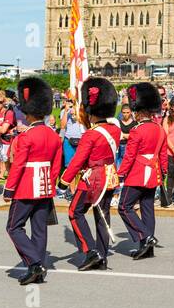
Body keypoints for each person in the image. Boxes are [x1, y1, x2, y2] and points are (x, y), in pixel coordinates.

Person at [3, 76, 62, 284]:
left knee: (14, 227)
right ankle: (38, 266)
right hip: (45, 185)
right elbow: (56, 166)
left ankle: (34, 262)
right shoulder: (54, 135)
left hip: (27, 185)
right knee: (39, 228)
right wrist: (50, 183)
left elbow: (18, 165)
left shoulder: (27, 136)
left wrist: (9, 188)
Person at [59, 78, 122, 271]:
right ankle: (101, 256)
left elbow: (78, 160)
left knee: (74, 212)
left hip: (94, 178)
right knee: (102, 216)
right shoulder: (115, 130)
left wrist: (64, 181)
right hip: (110, 176)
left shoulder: (91, 134)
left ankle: (90, 251)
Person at [116, 82, 167, 260]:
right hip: (154, 173)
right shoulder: (160, 130)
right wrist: (164, 172)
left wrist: (119, 173)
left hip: (137, 174)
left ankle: (145, 237)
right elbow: (163, 155)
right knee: (147, 209)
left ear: (139, 111)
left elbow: (129, 157)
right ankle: (147, 248)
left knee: (124, 206)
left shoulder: (137, 131)